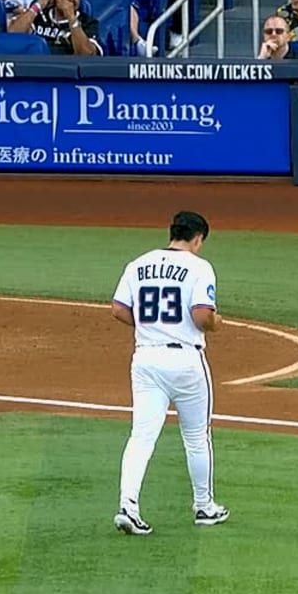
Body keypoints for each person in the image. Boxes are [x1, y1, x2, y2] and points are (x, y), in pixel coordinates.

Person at [110, 210, 227, 536]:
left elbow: (118, 309)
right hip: (186, 362)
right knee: (196, 437)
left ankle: (128, 505)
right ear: (198, 238)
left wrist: (152, 326)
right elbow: (202, 315)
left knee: (141, 436)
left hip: (146, 359)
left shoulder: (138, 264)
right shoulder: (199, 267)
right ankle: (204, 506)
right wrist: (218, 323)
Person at [9, 0, 101, 56]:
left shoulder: (88, 22)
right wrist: (38, 5)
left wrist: (71, 18)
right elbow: (12, 36)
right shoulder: (39, 16)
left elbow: (87, 55)